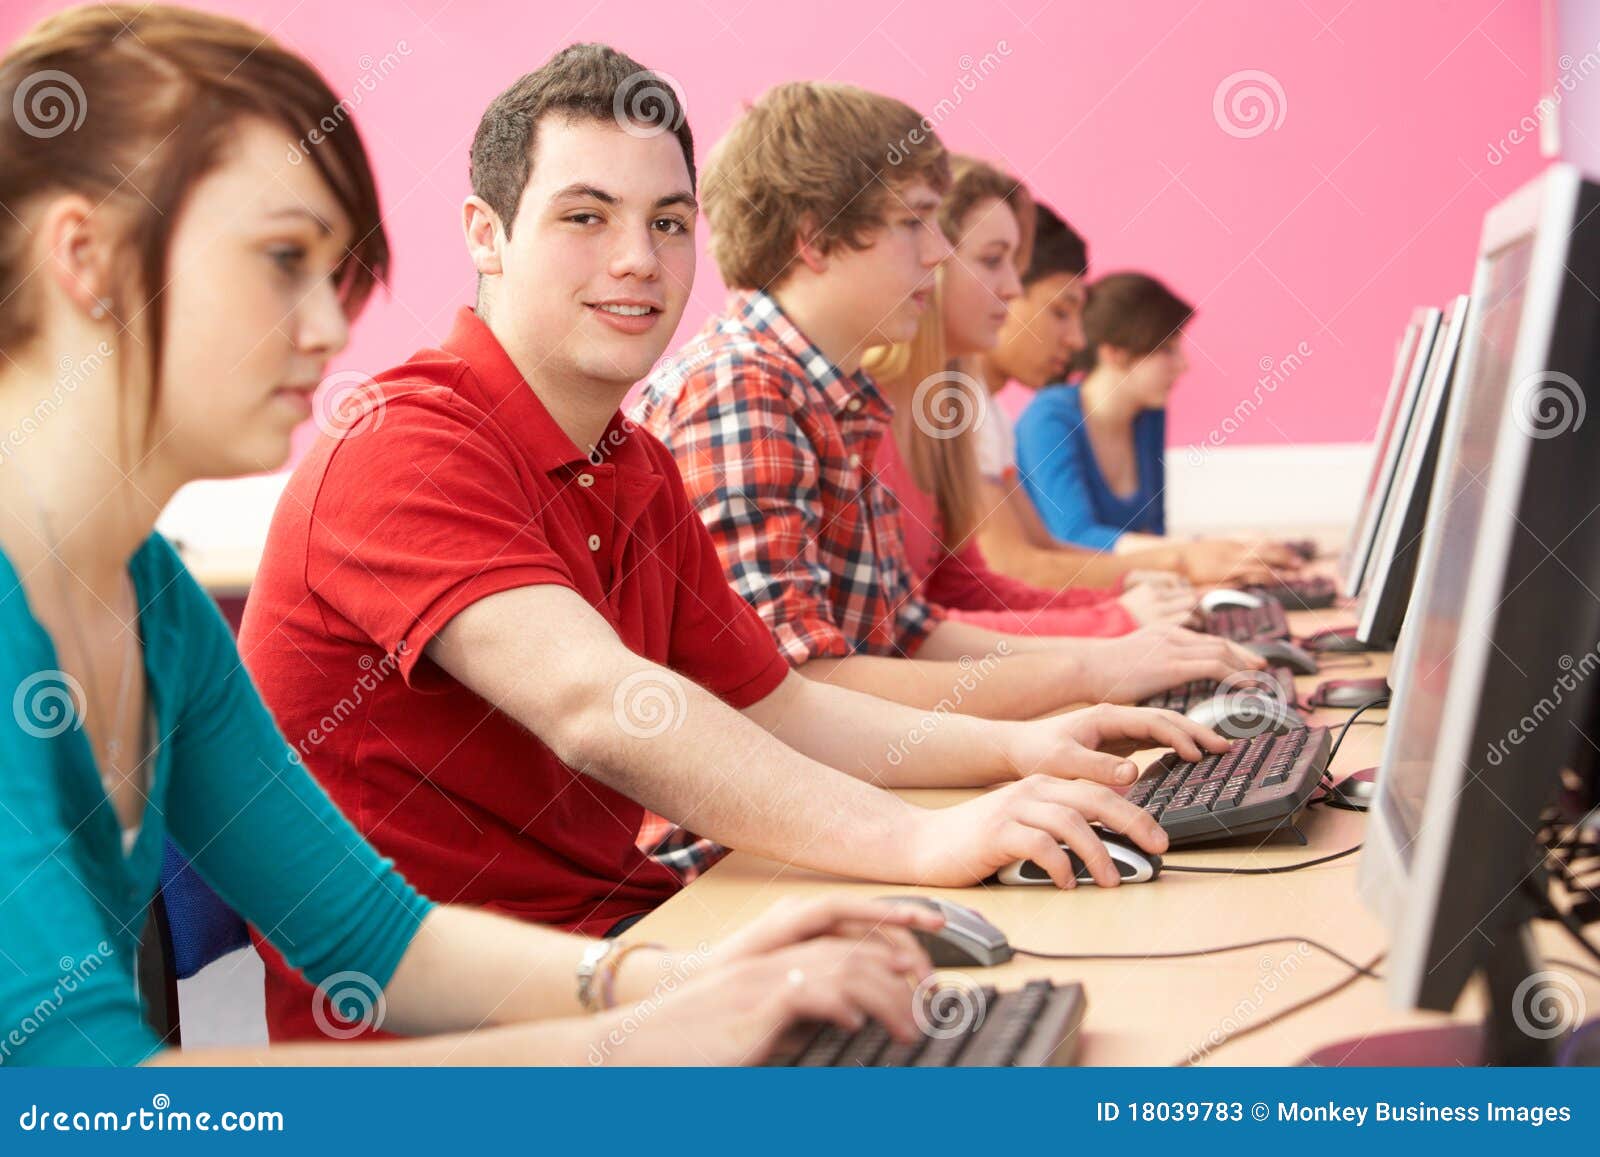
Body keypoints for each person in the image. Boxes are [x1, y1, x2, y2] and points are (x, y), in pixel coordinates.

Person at [0, 4, 961, 1067]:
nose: (327, 327)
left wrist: (689, 982)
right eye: (281, 258)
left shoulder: (149, 598)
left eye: (332, 270)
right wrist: (629, 1039)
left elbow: (376, 933)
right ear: (83, 256)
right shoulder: (386, 448)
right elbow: (84, 1109)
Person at [236, 44, 1213, 1041]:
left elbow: (781, 701)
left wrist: (1016, 753)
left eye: (667, 223)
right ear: (485, 235)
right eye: (585, 216)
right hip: (469, 1036)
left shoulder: (635, 464)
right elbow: (594, 703)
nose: (638, 259)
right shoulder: (408, 441)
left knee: (1081, 1023)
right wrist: (923, 837)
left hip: (633, 943)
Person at [635, 81, 1264, 721]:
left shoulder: (834, 396)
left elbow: (907, 630)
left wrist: (1103, 666)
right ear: (816, 239)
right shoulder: (740, 391)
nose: (939, 253)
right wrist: (1088, 674)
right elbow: (795, 694)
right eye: (914, 222)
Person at [862, 156, 1197, 637]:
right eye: (993, 261)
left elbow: (964, 589)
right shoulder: (886, 410)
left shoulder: (950, 403)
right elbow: (1013, 568)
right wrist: (1122, 612)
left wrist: (1123, 601)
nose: (1012, 289)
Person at [977, 208, 1301, 586]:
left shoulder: (1147, 417)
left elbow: (1150, 537)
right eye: (1167, 351)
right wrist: (1187, 557)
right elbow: (1064, 542)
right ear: (1115, 352)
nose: (1183, 367)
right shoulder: (1046, 415)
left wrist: (1200, 560)